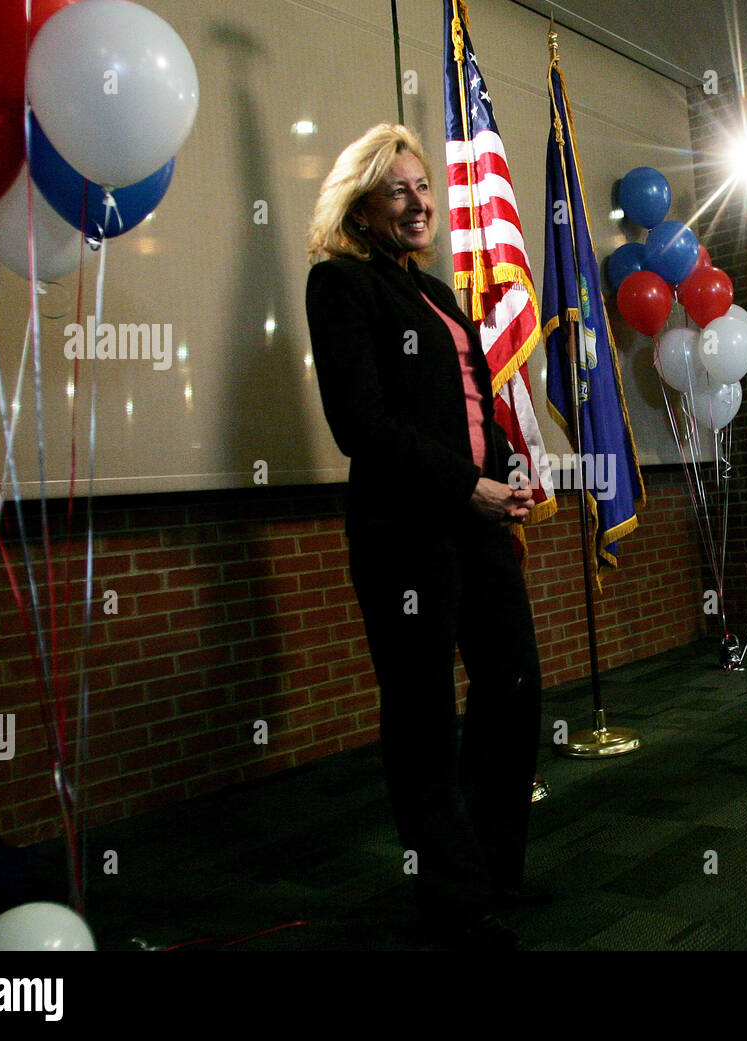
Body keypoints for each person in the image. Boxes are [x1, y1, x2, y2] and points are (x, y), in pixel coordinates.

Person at [305, 124, 543, 948]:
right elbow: (359, 425)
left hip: (478, 521)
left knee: (513, 686)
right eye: (398, 189)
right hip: (407, 531)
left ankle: (492, 868)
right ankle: (450, 898)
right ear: (362, 208)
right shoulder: (339, 285)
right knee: (423, 716)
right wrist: (462, 484)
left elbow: (477, 400)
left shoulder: (440, 296)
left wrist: (506, 470)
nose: (419, 201)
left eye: (425, 186)